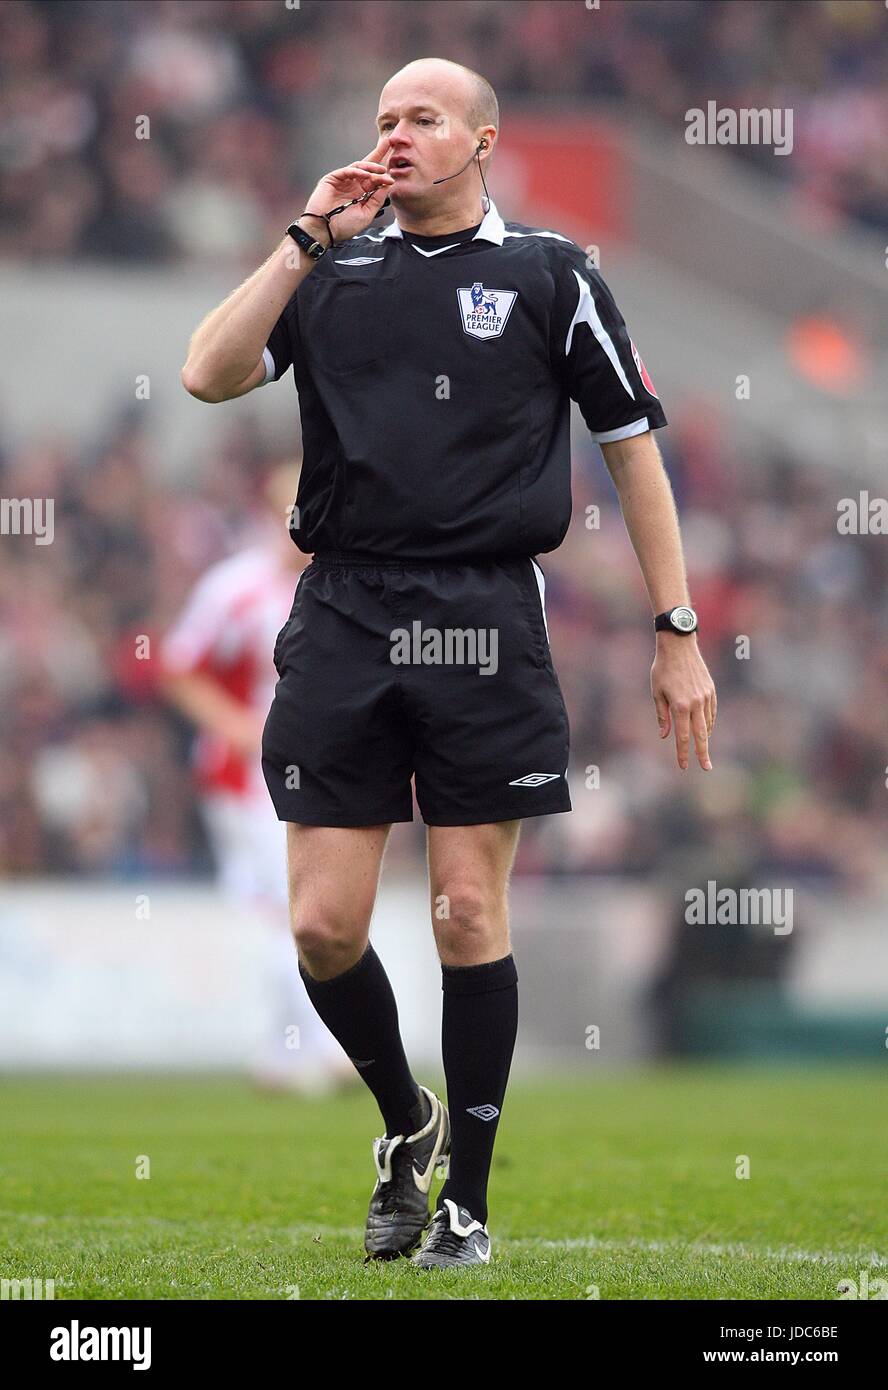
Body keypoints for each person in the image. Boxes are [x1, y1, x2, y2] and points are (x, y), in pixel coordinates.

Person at [181, 57, 716, 1270]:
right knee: (321, 926)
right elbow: (207, 373)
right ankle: (404, 1119)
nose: (396, 134)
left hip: (484, 616)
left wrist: (677, 630)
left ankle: (466, 1202)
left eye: (422, 117)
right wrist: (303, 238)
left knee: (469, 907)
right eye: (383, 119)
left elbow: (633, 453)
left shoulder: (551, 274)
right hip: (345, 609)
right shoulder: (330, 272)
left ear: (480, 138)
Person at [160, 463, 348, 1093]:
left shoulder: (338, 583)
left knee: (290, 905)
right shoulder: (235, 588)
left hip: (316, 768)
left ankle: (281, 1051)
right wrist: (237, 725)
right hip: (244, 775)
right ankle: (320, 1047)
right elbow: (179, 665)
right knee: (288, 904)